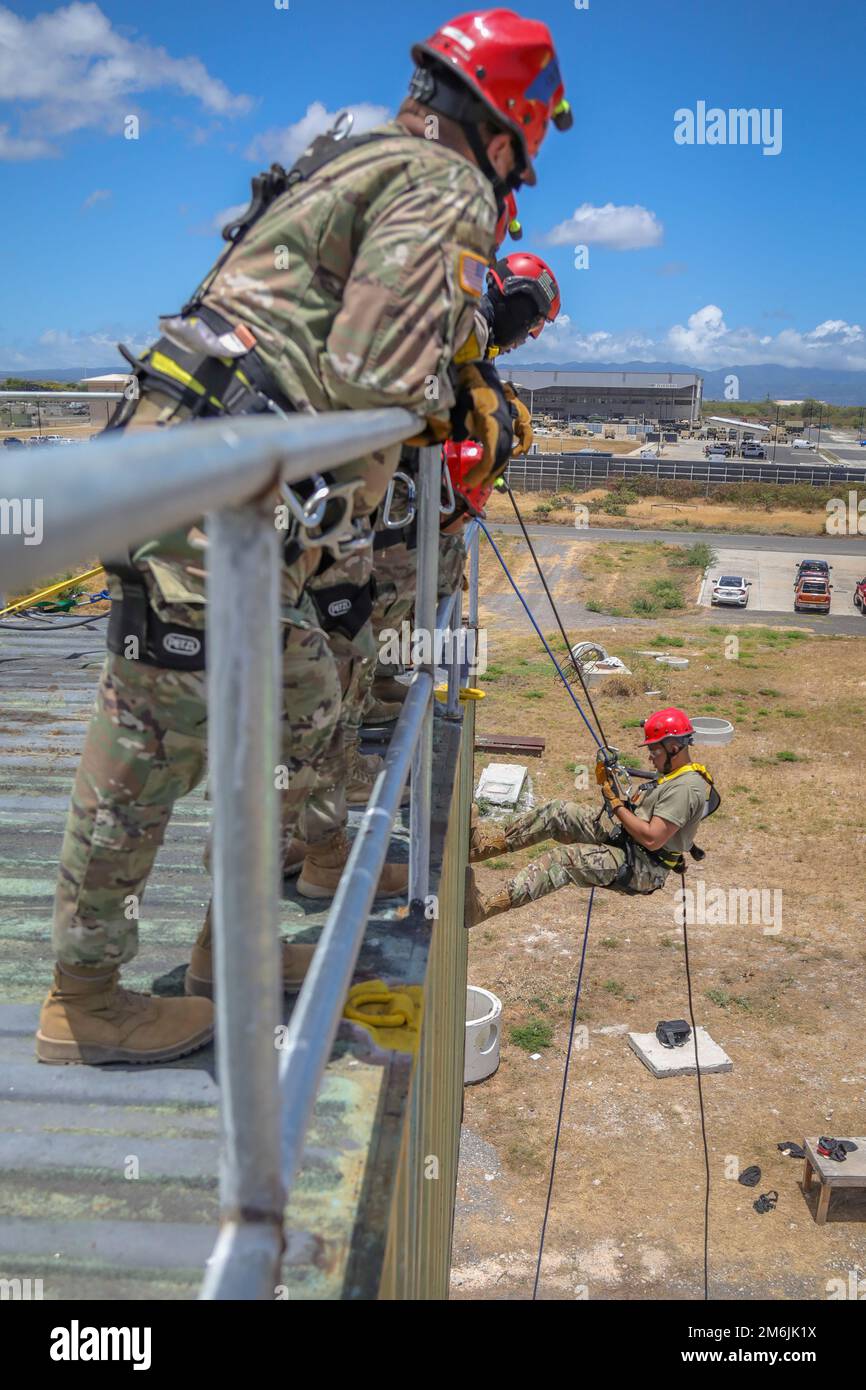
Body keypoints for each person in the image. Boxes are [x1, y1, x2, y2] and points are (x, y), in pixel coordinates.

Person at [36, 8, 571, 1063]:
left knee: (253, 720)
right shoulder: (448, 184)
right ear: (508, 126)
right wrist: (443, 374)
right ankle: (88, 1000)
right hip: (213, 489)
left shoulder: (361, 153)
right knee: (177, 732)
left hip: (210, 469)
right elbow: (376, 371)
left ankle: (212, 951)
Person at [290, 247, 562, 897]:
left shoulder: (460, 343)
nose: (523, 340)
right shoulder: (451, 328)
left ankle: (328, 779)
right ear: (518, 306)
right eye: (530, 325)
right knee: (347, 640)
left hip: (366, 514)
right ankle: (333, 784)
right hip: (358, 522)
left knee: (370, 627)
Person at [466, 708, 717, 924]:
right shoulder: (674, 776)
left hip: (643, 865)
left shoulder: (685, 788)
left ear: (674, 747)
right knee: (558, 813)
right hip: (630, 842)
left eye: (655, 750)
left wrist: (617, 805)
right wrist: (615, 790)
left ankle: (485, 908)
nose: (650, 756)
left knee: (562, 861)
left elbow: (652, 838)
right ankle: (485, 848)